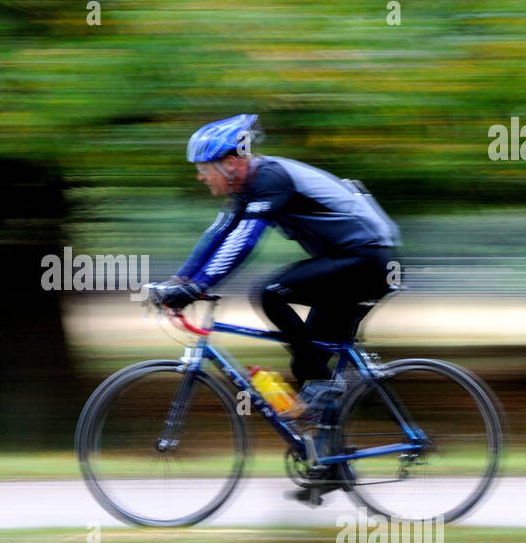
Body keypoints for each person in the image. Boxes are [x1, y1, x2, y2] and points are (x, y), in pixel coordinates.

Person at [146, 113, 400, 416]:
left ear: (230, 163)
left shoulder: (269, 179)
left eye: (203, 168)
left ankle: (334, 389)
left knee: (270, 293)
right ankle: (329, 453)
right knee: (307, 359)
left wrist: (198, 287)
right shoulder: (247, 190)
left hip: (368, 261)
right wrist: (181, 281)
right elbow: (217, 235)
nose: (200, 176)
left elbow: (243, 241)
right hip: (351, 264)